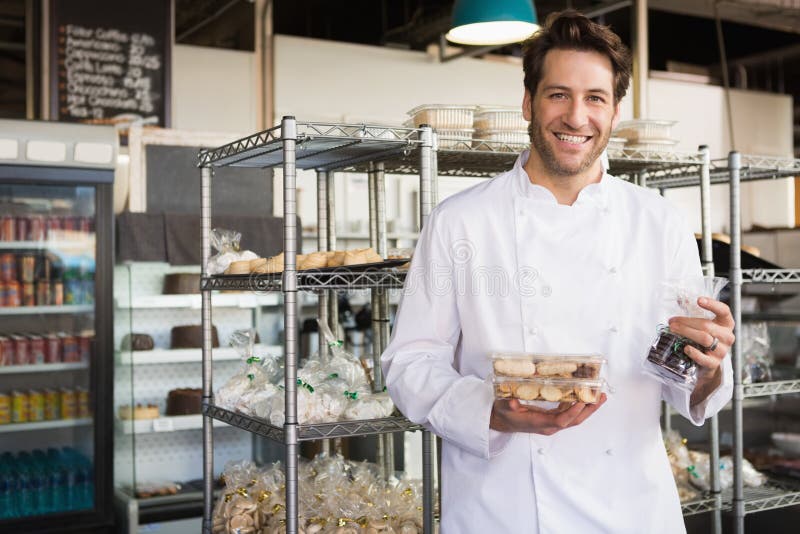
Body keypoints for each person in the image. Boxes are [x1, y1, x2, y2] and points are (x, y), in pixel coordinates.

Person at [381, 10, 734, 534]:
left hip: (632, 510)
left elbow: (682, 380)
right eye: (558, 94)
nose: (576, 117)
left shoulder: (659, 222)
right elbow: (410, 363)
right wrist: (490, 411)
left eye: (595, 98)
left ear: (615, 112)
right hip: (505, 511)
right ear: (528, 102)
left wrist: (706, 368)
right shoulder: (460, 221)